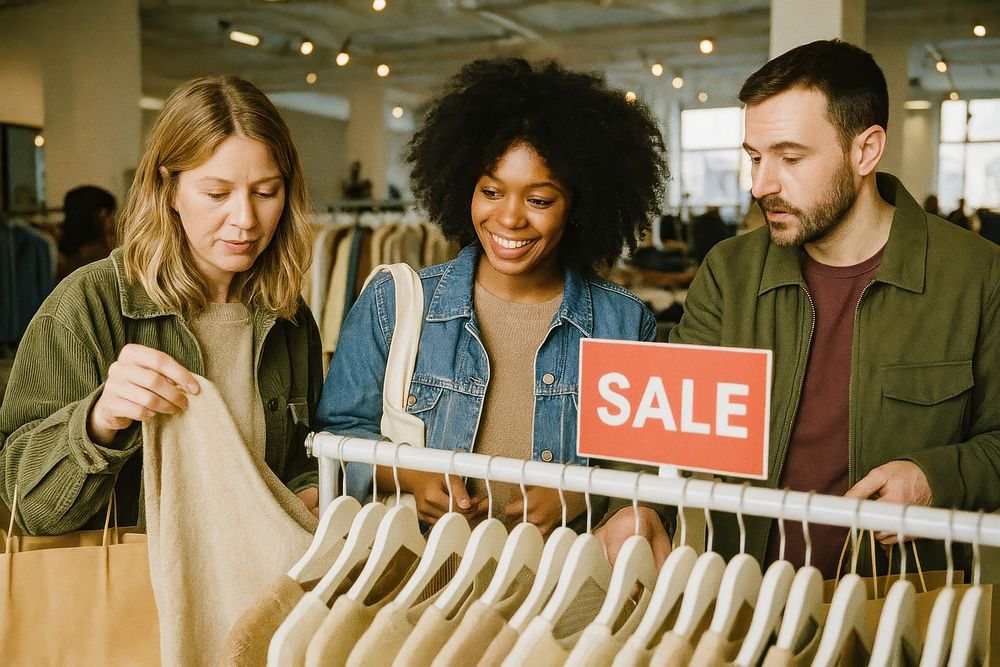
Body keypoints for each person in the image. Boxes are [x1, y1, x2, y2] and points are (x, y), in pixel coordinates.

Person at [316, 58, 672, 567]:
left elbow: (648, 477)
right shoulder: (394, 305)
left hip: (563, 589)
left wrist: (580, 494)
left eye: (540, 199)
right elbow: (337, 436)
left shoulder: (623, 324)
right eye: (490, 191)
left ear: (580, 205)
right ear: (463, 187)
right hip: (424, 579)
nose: (508, 217)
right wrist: (410, 474)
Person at [670, 39, 1000, 579]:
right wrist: (629, 509)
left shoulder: (979, 276)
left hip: (900, 606)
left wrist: (935, 476)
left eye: (790, 158)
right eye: (754, 157)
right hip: (743, 601)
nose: (760, 185)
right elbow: (668, 423)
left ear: (866, 151)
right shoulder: (728, 272)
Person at [0, 76, 323, 534]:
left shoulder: (288, 315)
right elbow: (23, 507)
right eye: (216, 194)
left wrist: (309, 490)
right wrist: (99, 421)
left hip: (262, 588)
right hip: (137, 594)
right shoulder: (88, 306)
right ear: (169, 189)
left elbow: (299, 456)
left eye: (266, 192)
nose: (246, 220)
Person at [57, 185, 117, 281]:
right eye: (112, 214)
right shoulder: (98, 255)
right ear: (103, 214)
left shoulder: (60, 255)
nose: (113, 222)